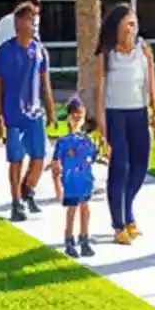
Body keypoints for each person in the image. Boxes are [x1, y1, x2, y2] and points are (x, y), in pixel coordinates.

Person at [93, 3, 155, 245]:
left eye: (134, 24)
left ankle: (127, 207)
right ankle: (119, 224)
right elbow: (100, 89)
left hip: (139, 113)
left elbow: (150, 82)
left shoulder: (144, 49)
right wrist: (101, 123)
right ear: (116, 28)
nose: (132, 29)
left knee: (140, 167)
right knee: (119, 167)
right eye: (127, 25)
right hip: (115, 114)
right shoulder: (106, 53)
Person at [0, 2, 56, 222]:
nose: (34, 23)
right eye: (29, 18)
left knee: (39, 158)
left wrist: (51, 110)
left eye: (35, 18)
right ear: (18, 23)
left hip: (35, 114)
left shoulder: (39, 51)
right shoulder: (4, 53)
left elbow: (44, 82)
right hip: (13, 115)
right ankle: (16, 201)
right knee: (16, 160)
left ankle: (27, 191)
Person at [49, 97, 98, 258]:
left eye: (80, 117)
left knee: (85, 208)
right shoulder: (63, 142)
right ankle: (69, 239)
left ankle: (84, 238)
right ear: (69, 118)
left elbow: (94, 156)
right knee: (72, 210)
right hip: (71, 182)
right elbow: (55, 165)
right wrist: (57, 186)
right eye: (74, 116)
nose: (77, 120)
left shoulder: (88, 141)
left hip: (85, 181)